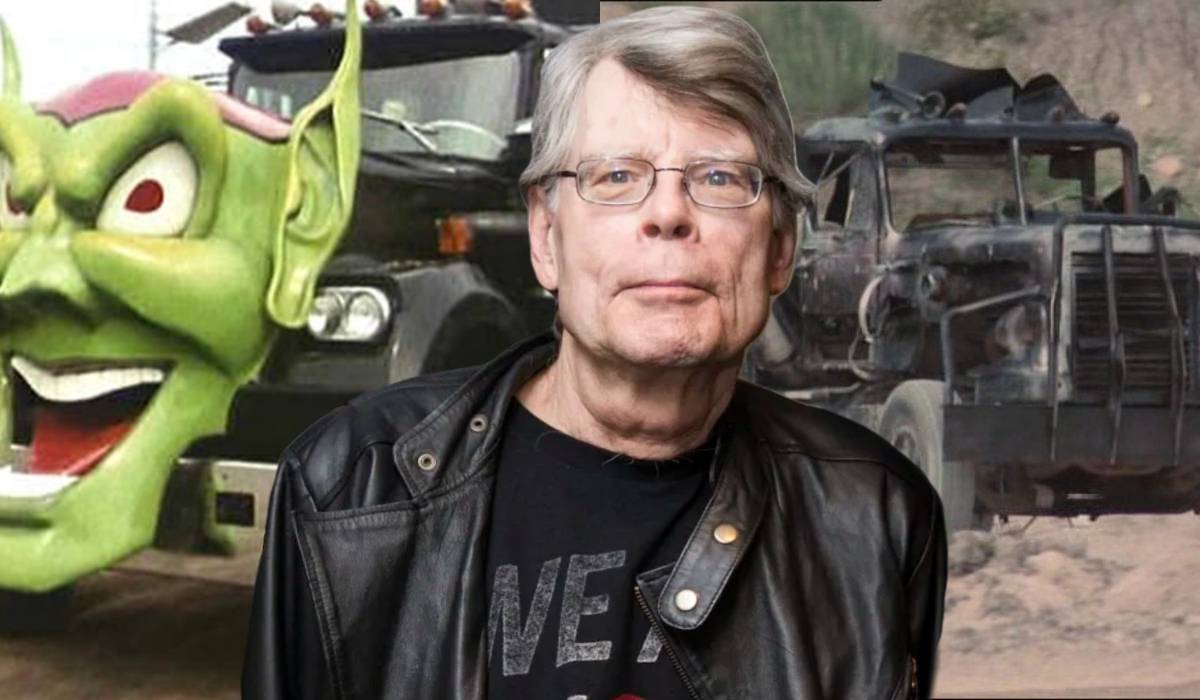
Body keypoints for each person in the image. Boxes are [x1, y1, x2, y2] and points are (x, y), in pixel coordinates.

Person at [242, 6, 947, 699]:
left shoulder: (878, 517)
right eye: (616, 176)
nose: (668, 214)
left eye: (719, 178)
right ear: (545, 238)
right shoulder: (350, 493)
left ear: (781, 250)